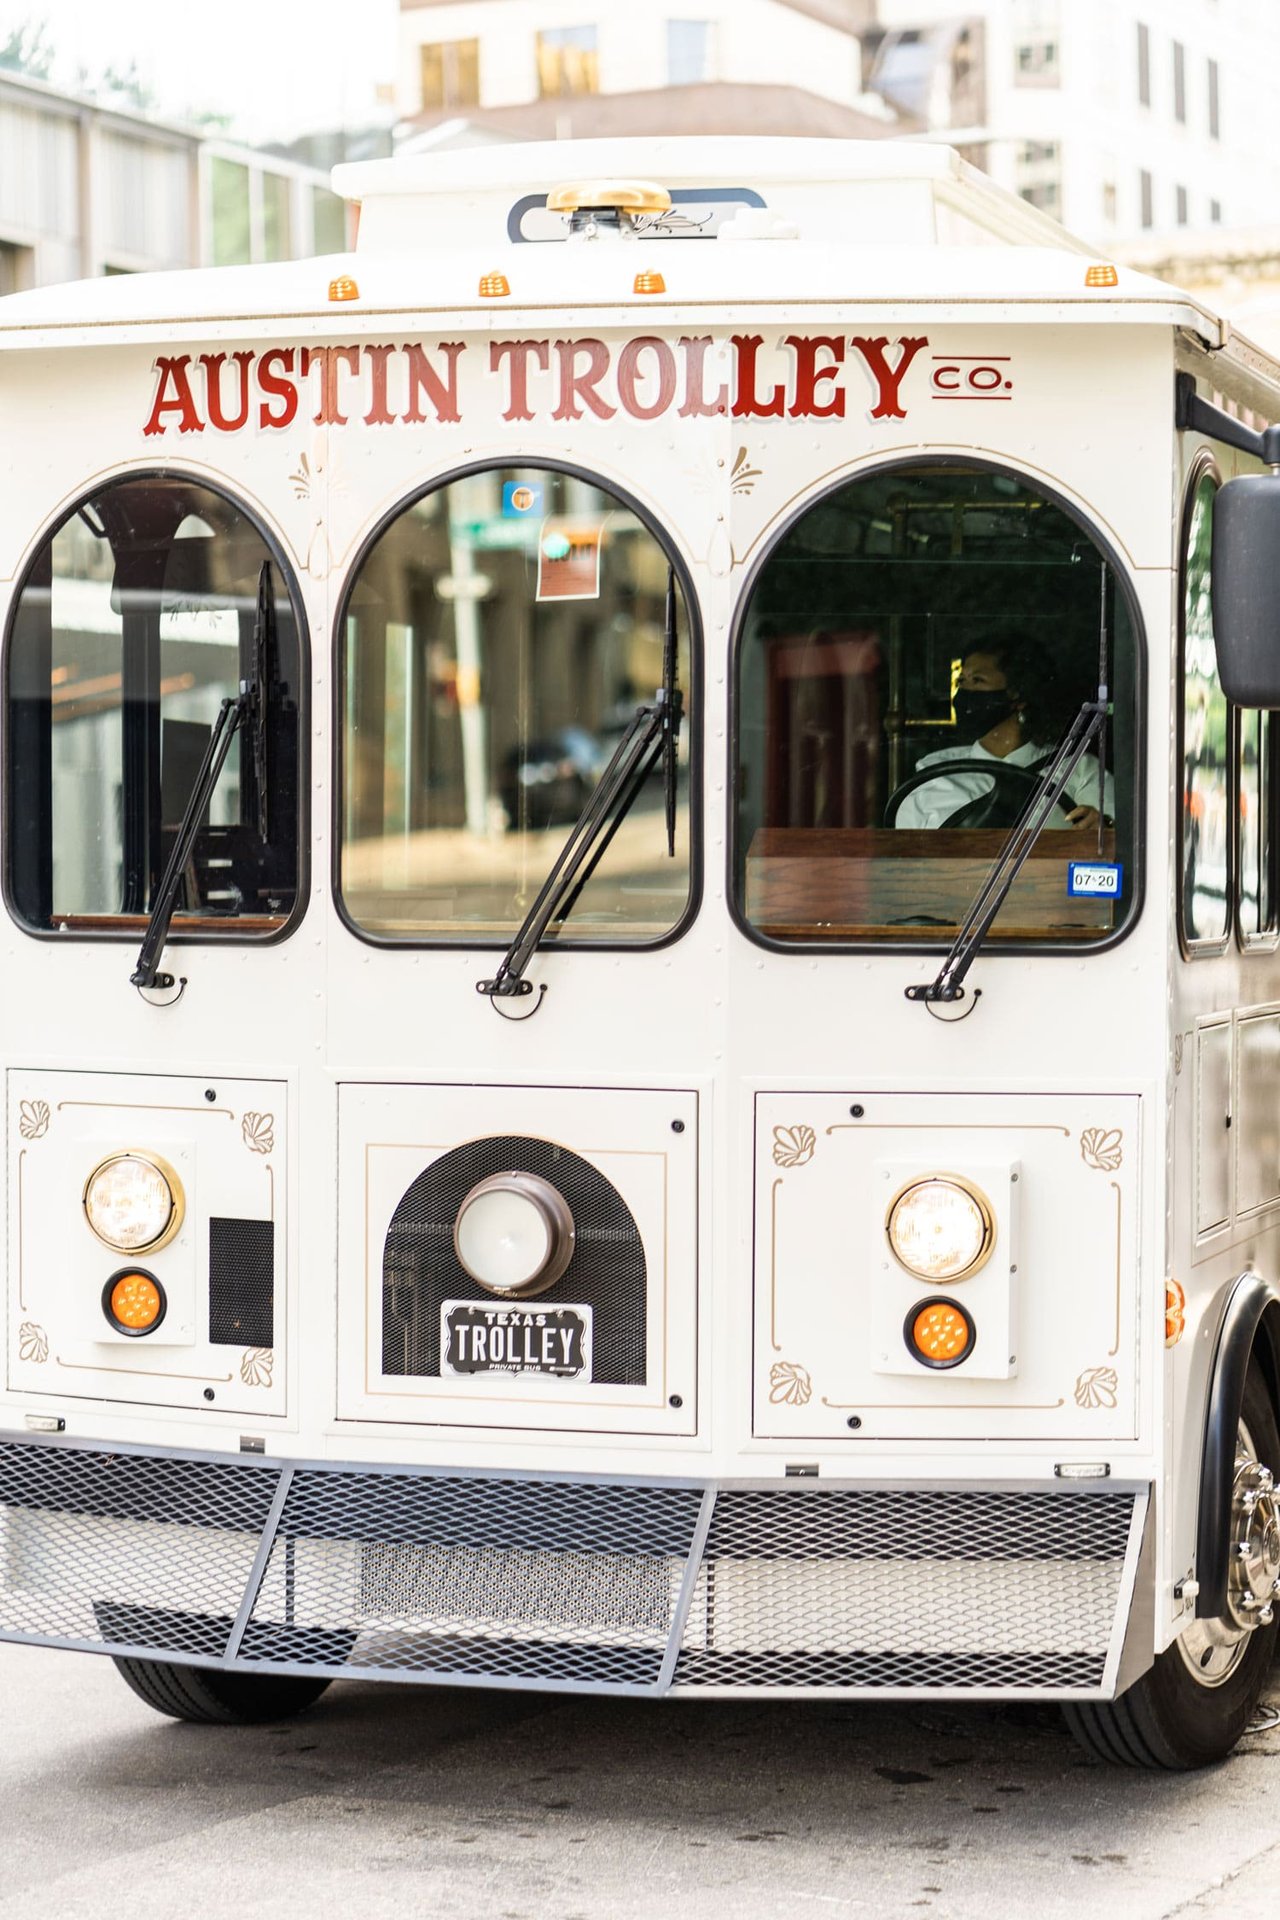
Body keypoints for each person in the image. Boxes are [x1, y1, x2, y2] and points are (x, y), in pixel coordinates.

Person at [891, 638, 1114, 831]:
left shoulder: (1077, 769)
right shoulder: (934, 770)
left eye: (978, 680)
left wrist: (1100, 828)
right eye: (961, 682)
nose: (964, 693)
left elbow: (1111, 844)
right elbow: (908, 849)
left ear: (1018, 693)